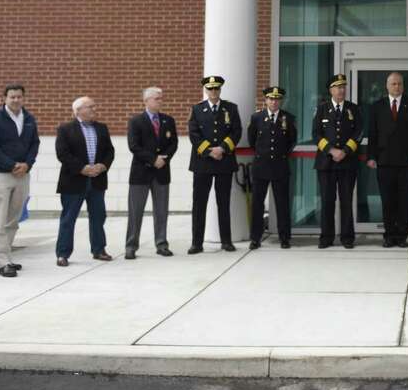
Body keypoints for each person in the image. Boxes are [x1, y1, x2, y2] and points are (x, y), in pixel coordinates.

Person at [0, 83, 40, 277]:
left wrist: (27, 164)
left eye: (19, 97)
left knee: (13, 220)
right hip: (0, 174)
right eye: (12, 97)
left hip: (23, 175)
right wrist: (11, 165)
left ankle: (3, 257)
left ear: (23, 98)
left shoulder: (29, 119)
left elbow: (34, 144)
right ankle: (2, 262)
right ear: (5, 98)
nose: (16, 100)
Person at [54, 96, 115, 266]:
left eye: (94, 106)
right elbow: (62, 154)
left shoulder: (102, 128)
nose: (94, 109)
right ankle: (63, 254)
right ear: (78, 110)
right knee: (68, 218)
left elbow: (110, 151)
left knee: (98, 216)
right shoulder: (65, 129)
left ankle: (99, 250)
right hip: (74, 180)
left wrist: (102, 166)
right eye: (90, 107)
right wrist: (82, 168)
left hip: (97, 180)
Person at [366, 72, 408, 248]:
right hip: (384, 161)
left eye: (399, 84)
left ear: (403, 86)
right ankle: (388, 236)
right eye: (393, 84)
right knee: (387, 201)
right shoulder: (377, 106)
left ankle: (402, 236)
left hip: (406, 161)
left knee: (404, 201)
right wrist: (371, 156)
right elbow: (372, 134)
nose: (397, 87)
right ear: (387, 86)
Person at [188, 75, 242, 254]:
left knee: (224, 203)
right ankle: (197, 243)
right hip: (203, 162)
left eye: (216, 88)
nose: (213, 92)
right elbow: (193, 134)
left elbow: (236, 131)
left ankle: (226, 241)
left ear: (220, 90)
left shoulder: (231, 108)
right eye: (210, 89)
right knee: (199, 204)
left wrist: (222, 149)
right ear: (205, 90)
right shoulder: (197, 109)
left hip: (224, 162)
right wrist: (210, 151)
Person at [125, 86, 178, 259]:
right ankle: (131, 246)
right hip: (141, 174)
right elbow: (134, 146)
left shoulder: (168, 120)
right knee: (136, 212)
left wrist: (164, 159)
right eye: (157, 98)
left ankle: (161, 244)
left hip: (162, 173)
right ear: (146, 101)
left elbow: (173, 143)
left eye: (161, 98)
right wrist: (152, 159)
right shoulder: (136, 121)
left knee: (161, 211)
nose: (160, 101)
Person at [312, 73, 362, 249]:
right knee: (327, 201)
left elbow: (359, 133)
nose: (341, 90)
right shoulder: (322, 109)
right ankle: (326, 237)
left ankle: (347, 237)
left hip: (348, 163)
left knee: (347, 201)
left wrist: (345, 151)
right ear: (331, 90)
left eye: (343, 87)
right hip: (326, 163)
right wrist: (331, 150)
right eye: (338, 87)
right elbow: (316, 134)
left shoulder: (353, 109)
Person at [247, 85, 298, 249]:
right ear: (266, 100)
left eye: (277, 99)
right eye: (271, 99)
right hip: (261, 167)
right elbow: (251, 140)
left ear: (280, 101)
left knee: (282, 204)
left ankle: (285, 237)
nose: (274, 102)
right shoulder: (257, 118)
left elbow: (292, 141)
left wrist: (281, 154)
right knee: (257, 204)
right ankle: (255, 238)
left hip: (280, 166)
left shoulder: (288, 118)